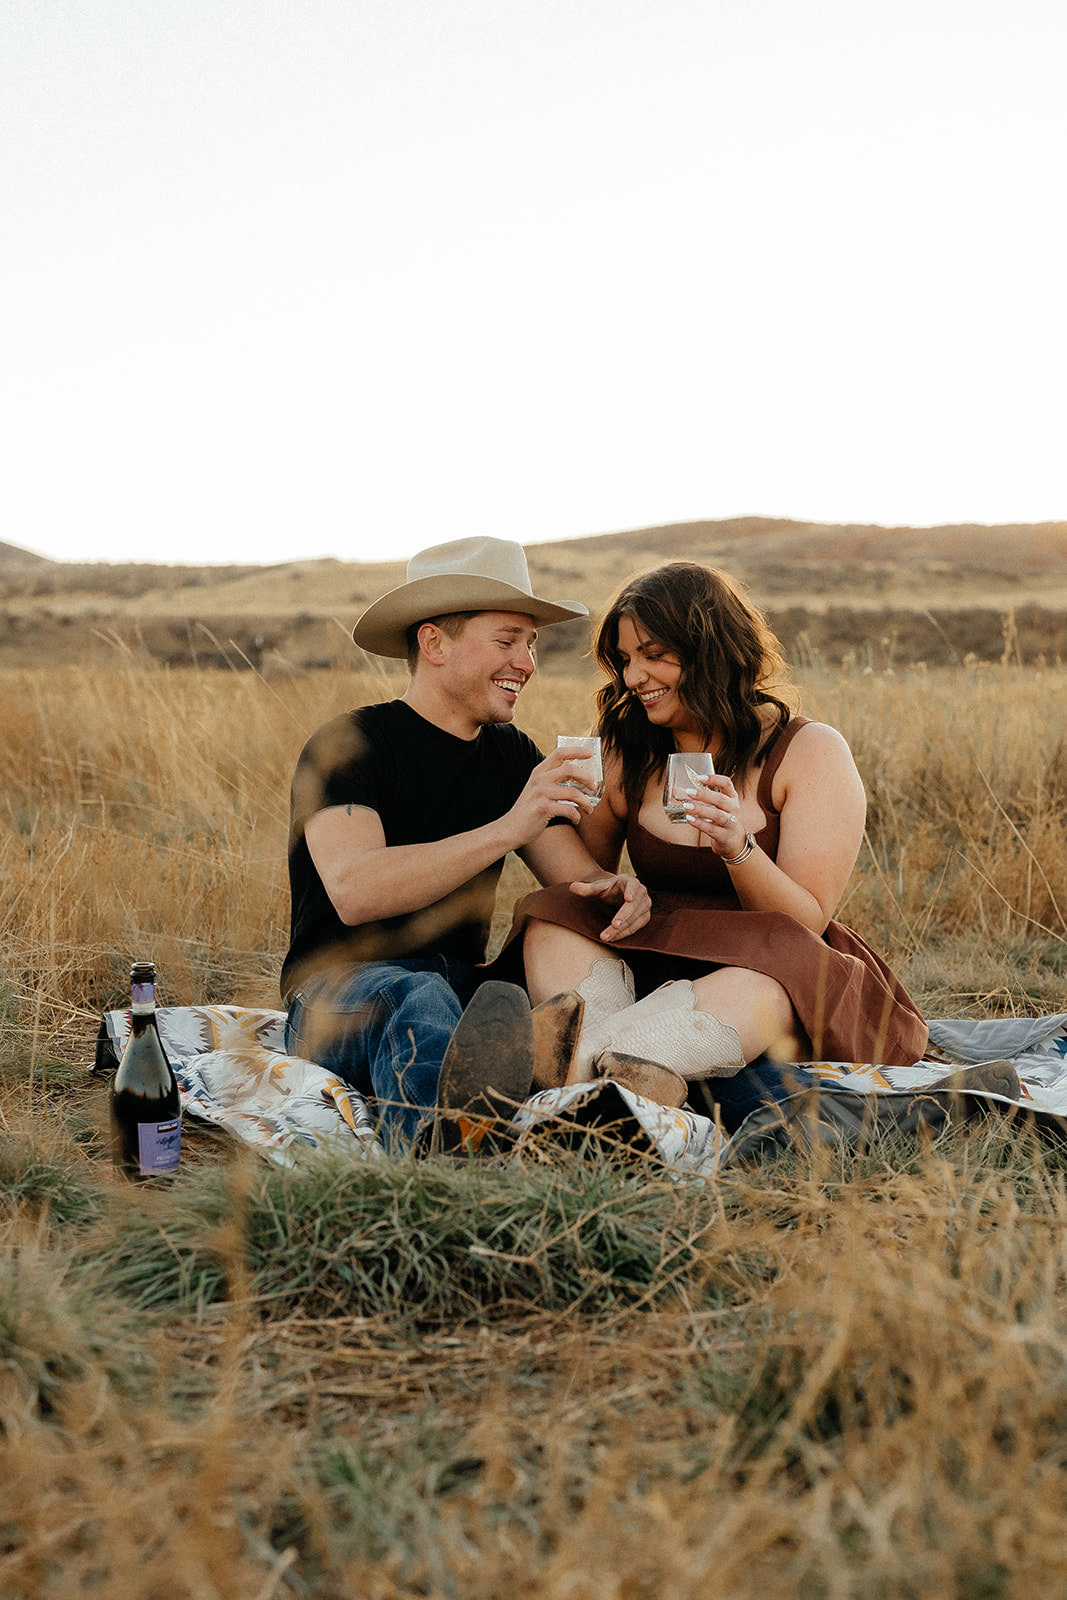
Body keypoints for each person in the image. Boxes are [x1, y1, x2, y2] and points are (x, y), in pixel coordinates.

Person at [497, 560, 929, 1129]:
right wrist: (561, 811)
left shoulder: (810, 752)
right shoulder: (630, 748)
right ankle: (623, 1071)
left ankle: (542, 1073)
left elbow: (805, 921)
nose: (633, 678)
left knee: (768, 972)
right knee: (555, 913)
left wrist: (738, 849)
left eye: (653, 655)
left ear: (710, 648)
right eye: (625, 660)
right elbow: (588, 880)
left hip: (762, 970)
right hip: (650, 959)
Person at [281, 536, 651, 1151]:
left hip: (457, 991)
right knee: (419, 995)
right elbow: (355, 890)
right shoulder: (349, 744)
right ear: (434, 643)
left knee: (533, 1005)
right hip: (336, 994)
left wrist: (622, 888)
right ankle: (445, 1163)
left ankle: (595, 1121)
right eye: (507, 641)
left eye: (530, 644)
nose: (527, 662)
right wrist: (508, 826)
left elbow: (576, 880)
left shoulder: (512, 757)